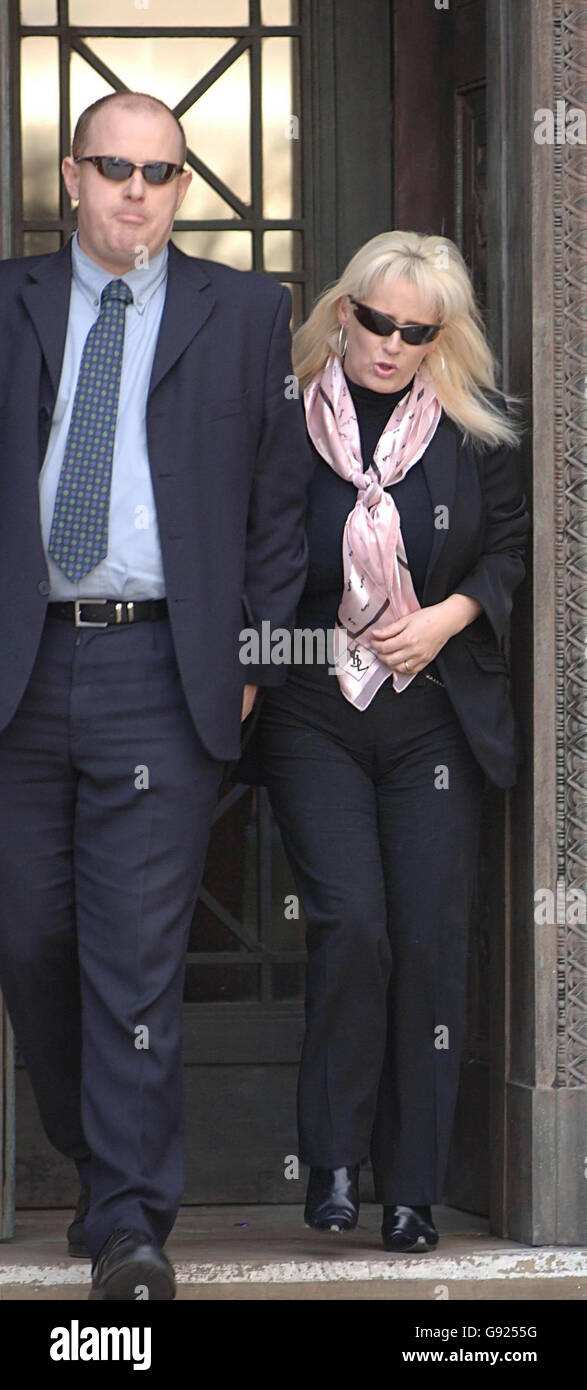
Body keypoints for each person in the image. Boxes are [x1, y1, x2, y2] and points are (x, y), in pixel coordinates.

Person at [0, 90, 313, 1299]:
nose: (138, 190)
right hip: (21, 663)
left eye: (163, 172)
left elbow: (276, 504)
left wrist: (246, 648)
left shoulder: (245, 312)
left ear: (185, 186)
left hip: (159, 662)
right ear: (70, 179)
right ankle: (94, 1155)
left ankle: (130, 1220)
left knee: (132, 959)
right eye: (115, 168)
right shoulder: (12, 300)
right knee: (32, 935)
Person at [253, 230, 530, 1252]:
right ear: (341, 311)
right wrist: (264, 656)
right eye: (376, 321)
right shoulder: (280, 419)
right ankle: (329, 1158)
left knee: (425, 940)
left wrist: (448, 615)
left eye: (417, 331)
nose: (391, 344)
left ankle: (408, 1187)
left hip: (431, 713)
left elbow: (505, 552)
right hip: (315, 707)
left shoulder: (473, 431)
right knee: (354, 924)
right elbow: (250, 550)